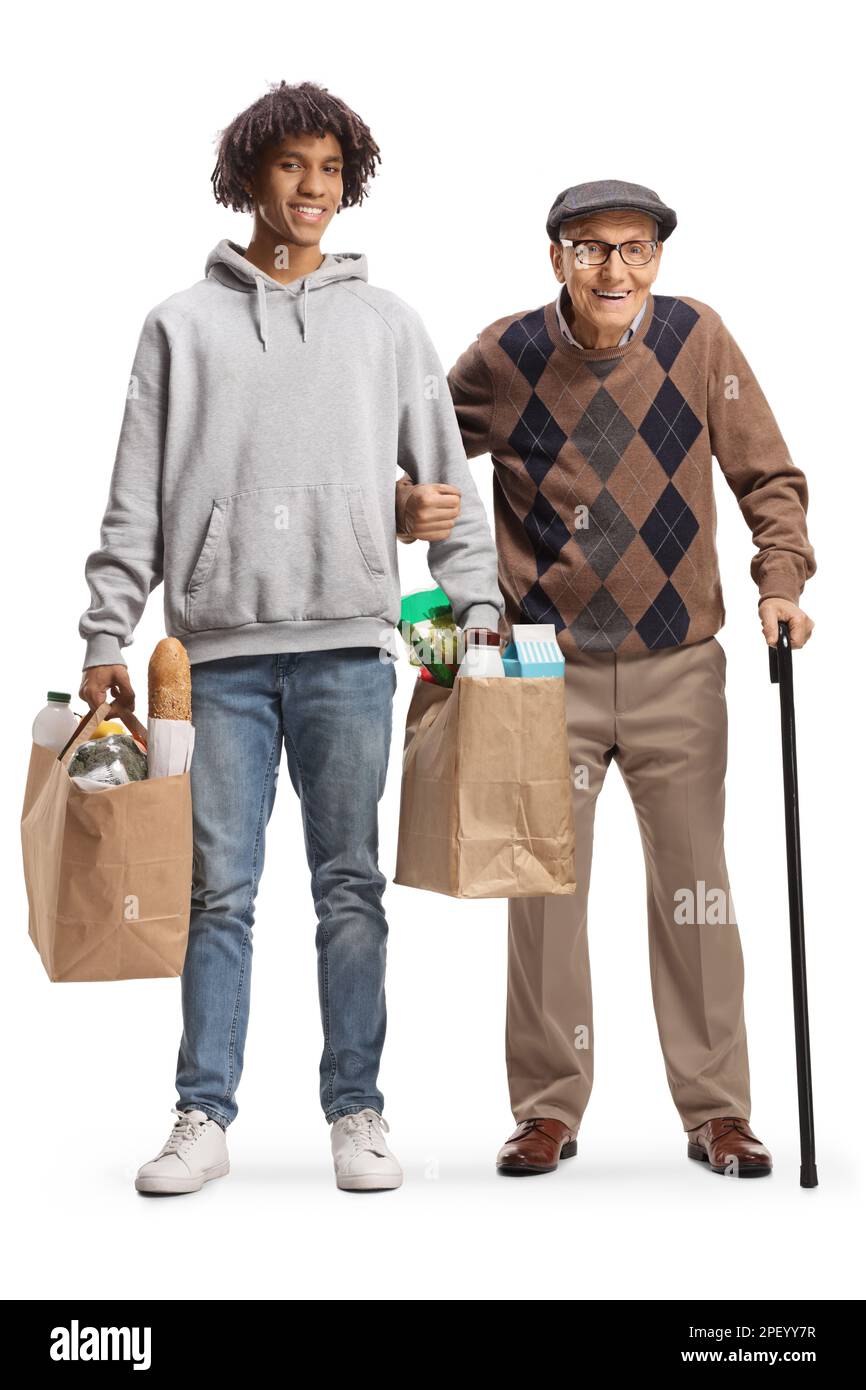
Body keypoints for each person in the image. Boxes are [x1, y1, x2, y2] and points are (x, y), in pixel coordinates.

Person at [78, 80, 504, 1195]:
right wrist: (104, 632)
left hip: (349, 650)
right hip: (212, 661)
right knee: (217, 891)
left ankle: (355, 1112)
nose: (311, 190)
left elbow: (448, 488)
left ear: (346, 183)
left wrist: (476, 607)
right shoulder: (178, 324)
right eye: (290, 168)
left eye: (329, 171)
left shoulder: (387, 323)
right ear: (248, 177)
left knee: (348, 886)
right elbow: (133, 498)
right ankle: (201, 1115)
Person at [395, 178, 816, 1179]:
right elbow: (419, 457)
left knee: (694, 887)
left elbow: (767, 478)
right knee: (541, 890)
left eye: (633, 249)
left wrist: (779, 581)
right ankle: (545, 1107)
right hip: (542, 669)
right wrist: (412, 509)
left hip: (679, 665)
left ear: (658, 259)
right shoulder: (506, 355)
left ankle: (716, 1111)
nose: (613, 269)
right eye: (589, 249)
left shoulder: (697, 340)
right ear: (555, 258)